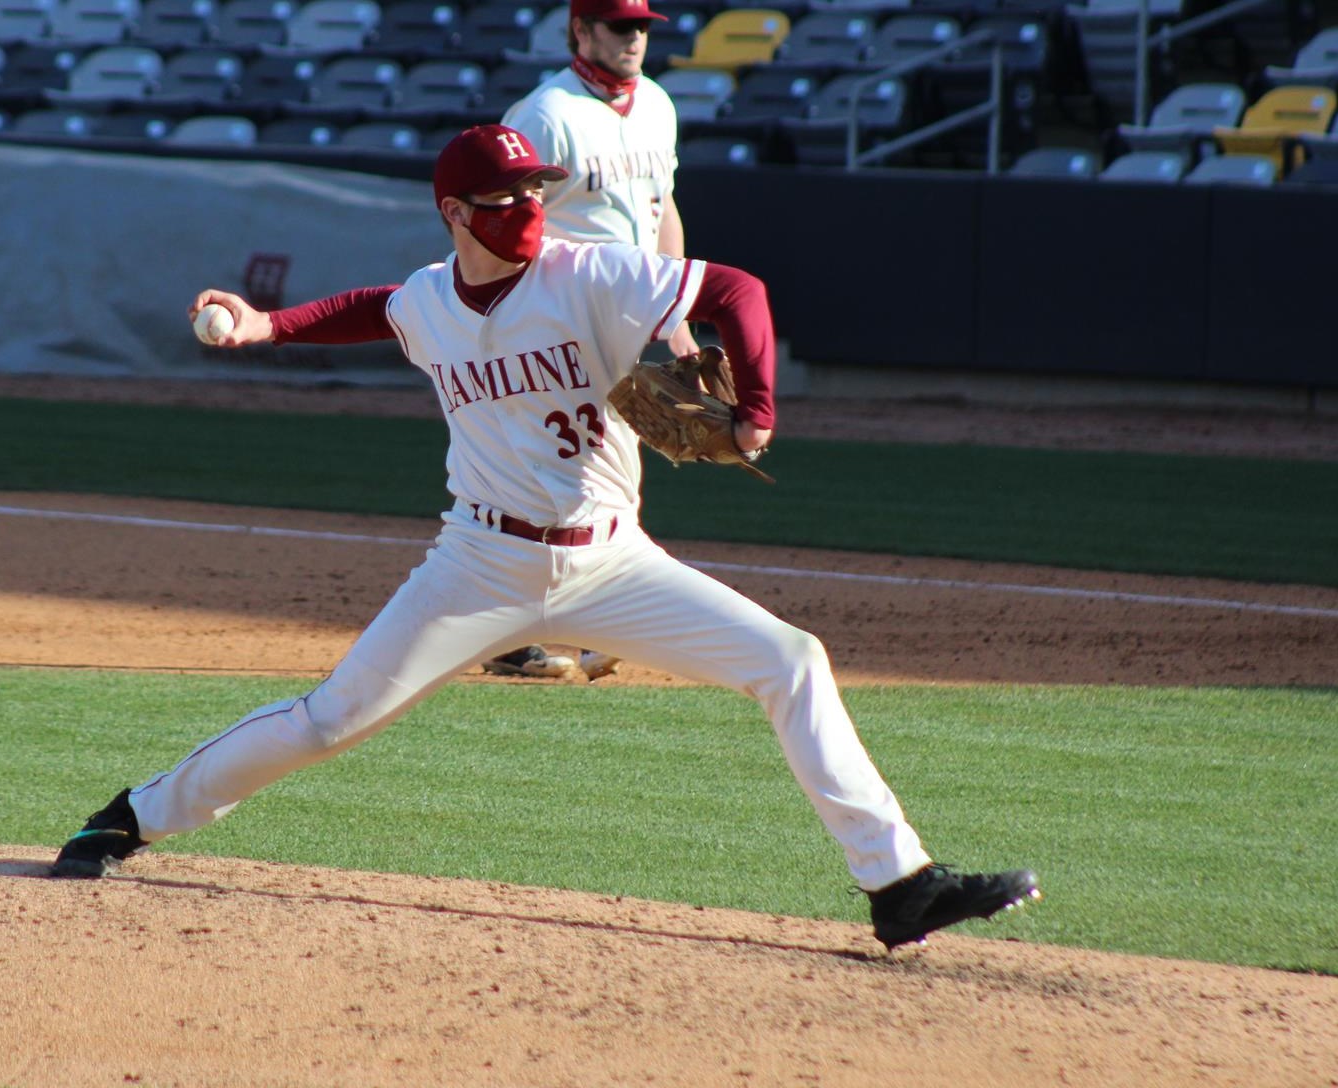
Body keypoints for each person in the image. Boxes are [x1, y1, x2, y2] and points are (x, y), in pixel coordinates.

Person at [50, 125, 1039, 951]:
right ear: (453, 213)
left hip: (614, 563)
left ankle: (897, 883)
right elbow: (373, 311)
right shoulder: (431, 299)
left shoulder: (592, 275)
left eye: (533, 186)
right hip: (475, 565)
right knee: (326, 720)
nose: (525, 203)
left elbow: (738, 292)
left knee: (790, 659)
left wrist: (759, 409)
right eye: (504, 193)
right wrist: (263, 322)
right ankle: (131, 814)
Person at [487, 0, 691, 682]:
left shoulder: (658, 104)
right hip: (557, 316)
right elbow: (501, 222)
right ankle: (545, 621)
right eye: (619, 26)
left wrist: (678, 316)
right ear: (582, 30)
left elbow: (665, 210)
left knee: (604, 468)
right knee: (561, 466)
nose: (634, 38)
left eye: (642, 27)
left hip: (628, 318)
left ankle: (568, 616)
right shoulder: (546, 114)